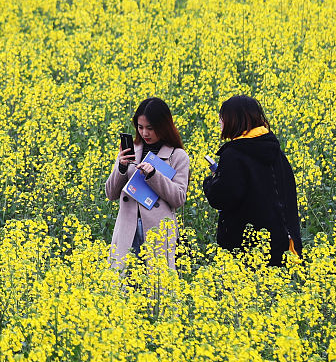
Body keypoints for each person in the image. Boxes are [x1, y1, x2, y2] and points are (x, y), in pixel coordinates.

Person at [202, 95, 301, 267]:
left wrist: (211, 183)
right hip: (280, 240)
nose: (220, 122)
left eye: (222, 118)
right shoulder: (274, 150)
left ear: (234, 120)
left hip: (247, 246)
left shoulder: (233, 154)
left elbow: (223, 197)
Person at [104, 97, 190, 270]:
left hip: (157, 230)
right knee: (125, 280)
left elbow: (179, 198)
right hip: (127, 228)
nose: (144, 133)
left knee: (156, 282)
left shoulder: (177, 156)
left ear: (164, 126)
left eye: (150, 128)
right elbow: (111, 194)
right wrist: (121, 167)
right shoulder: (131, 151)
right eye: (140, 127)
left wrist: (154, 175)